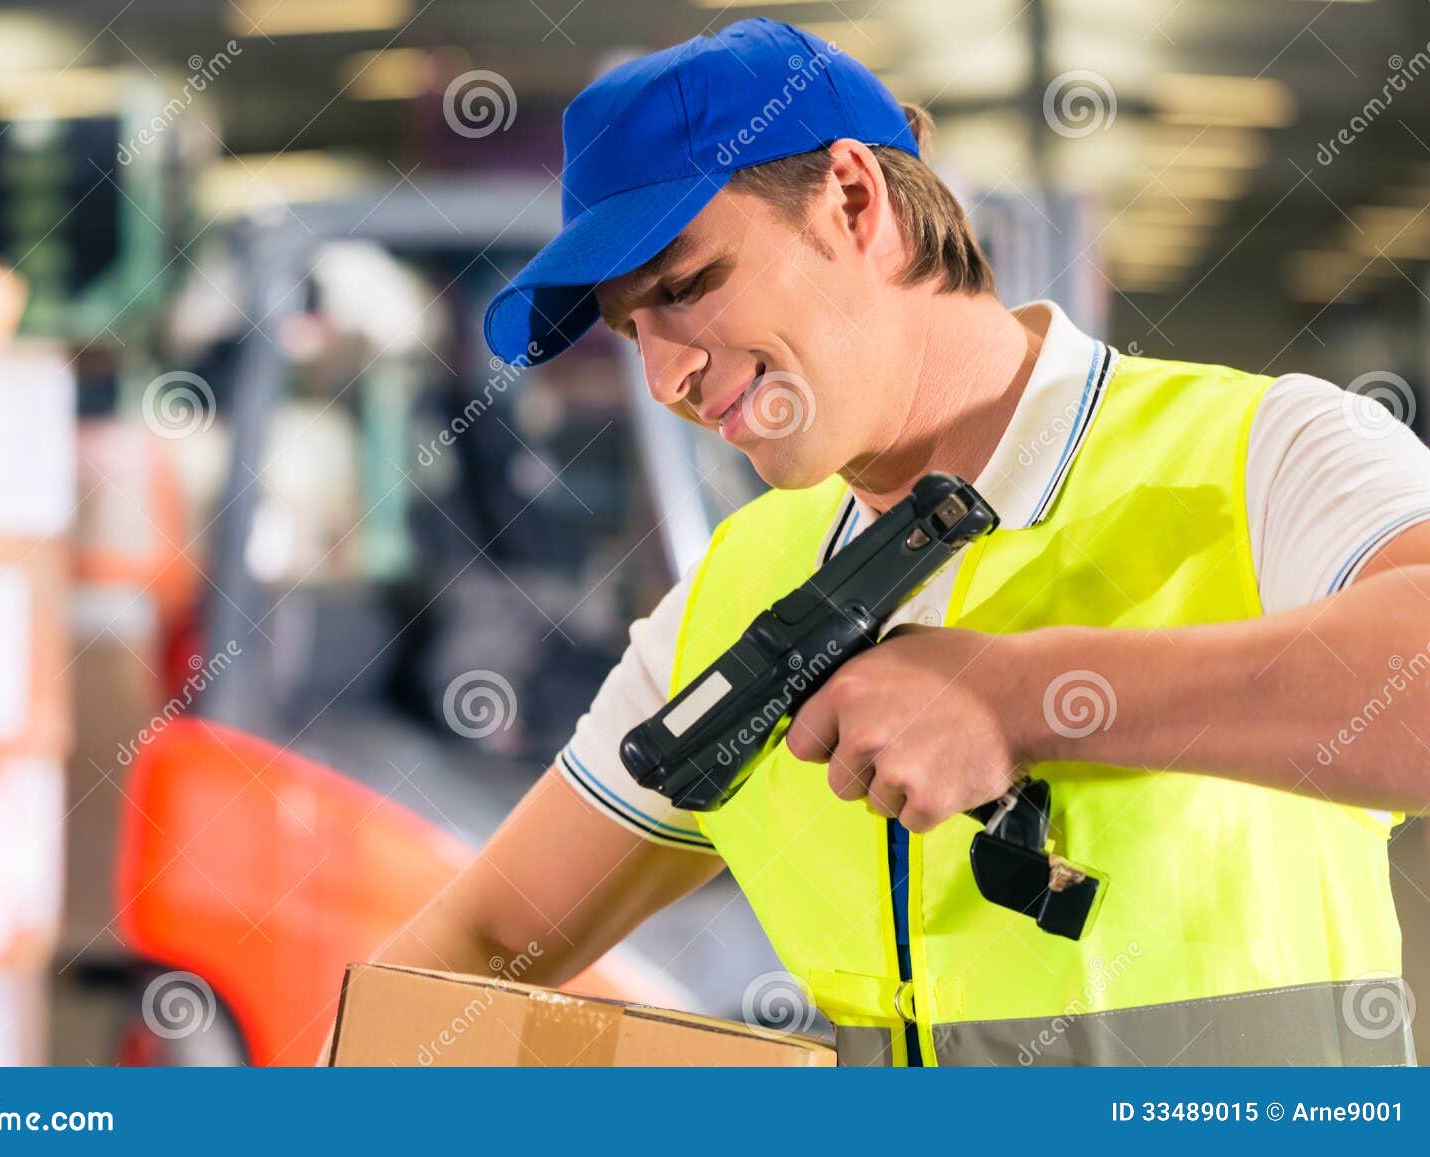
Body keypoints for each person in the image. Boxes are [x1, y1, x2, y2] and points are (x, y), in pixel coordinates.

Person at [381, 18, 1430, 1065]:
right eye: (630, 329)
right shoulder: (730, 604)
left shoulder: (1262, 454)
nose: (664, 379)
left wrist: (1021, 696)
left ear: (851, 198)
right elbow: (462, 960)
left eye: (687, 286)